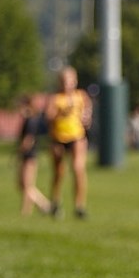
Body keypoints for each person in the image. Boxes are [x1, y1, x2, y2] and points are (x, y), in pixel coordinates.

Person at [47, 65, 92, 218]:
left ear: (75, 81)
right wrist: (59, 113)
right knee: (59, 172)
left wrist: (87, 117)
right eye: (65, 80)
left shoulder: (81, 96)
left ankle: (80, 206)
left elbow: (87, 110)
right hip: (58, 138)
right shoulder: (56, 98)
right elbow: (48, 117)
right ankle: (55, 201)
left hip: (77, 136)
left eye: (71, 80)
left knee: (78, 169)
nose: (68, 84)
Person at [15, 92, 55, 217]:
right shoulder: (30, 119)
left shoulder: (31, 120)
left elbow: (28, 139)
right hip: (28, 155)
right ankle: (45, 206)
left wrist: (20, 151)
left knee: (27, 186)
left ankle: (27, 211)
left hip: (30, 155)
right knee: (22, 185)